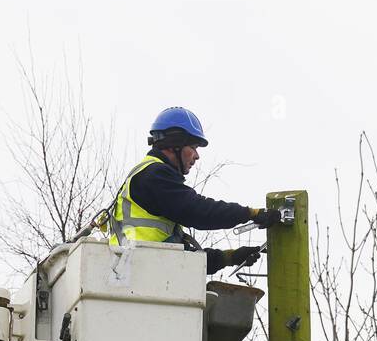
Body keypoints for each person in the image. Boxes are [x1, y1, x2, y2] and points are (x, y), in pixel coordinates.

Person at [106, 107, 280, 273]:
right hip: (140, 273)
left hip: (142, 272)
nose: (197, 156)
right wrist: (250, 213)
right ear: (175, 144)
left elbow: (184, 259)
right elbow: (199, 212)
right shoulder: (153, 176)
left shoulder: (150, 178)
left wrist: (230, 257)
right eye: (194, 147)